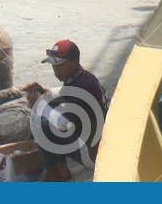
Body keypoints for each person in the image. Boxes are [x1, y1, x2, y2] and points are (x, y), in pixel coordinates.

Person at [35, 39, 108, 181]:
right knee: (50, 111)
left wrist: (38, 104)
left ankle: (55, 173)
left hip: (92, 154)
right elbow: (66, 100)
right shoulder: (85, 78)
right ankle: (59, 166)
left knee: (42, 124)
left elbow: (63, 124)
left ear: (74, 62)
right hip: (98, 140)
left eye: (60, 65)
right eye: (53, 66)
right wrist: (45, 94)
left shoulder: (80, 87)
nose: (56, 70)